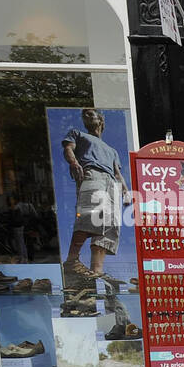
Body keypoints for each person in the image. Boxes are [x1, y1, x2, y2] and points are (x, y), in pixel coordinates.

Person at [61, 108, 124, 284]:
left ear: (101, 119)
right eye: (84, 115)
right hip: (92, 173)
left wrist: (125, 191)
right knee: (91, 215)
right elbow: (68, 148)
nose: (86, 116)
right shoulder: (78, 134)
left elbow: (118, 173)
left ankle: (97, 270)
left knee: (109, 225)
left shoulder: (112, 150)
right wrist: (73, 162)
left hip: (111, 182)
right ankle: (72, 260)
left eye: (90, 113)